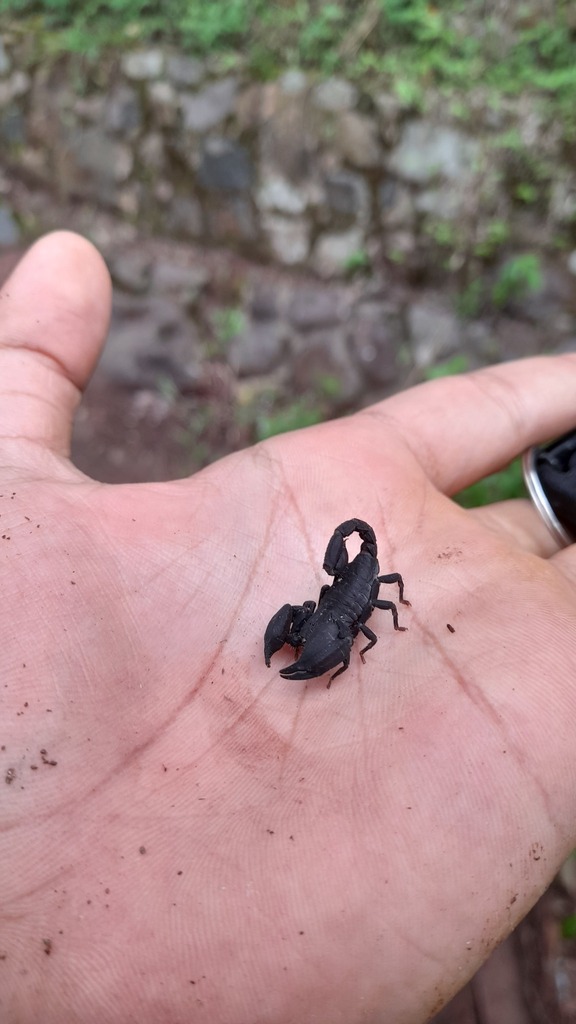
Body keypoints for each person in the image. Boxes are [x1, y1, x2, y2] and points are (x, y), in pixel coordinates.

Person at [0, 231, 575, 1024]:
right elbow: (321, 597)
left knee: (351, 622)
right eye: (310, 647)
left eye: (312, 648)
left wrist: (354, 636)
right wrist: (320, 605)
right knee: (322, 606)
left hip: (361, 591)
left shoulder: (358, 616)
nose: (309, 643)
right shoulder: (336, 584)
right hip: (349, 582)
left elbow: (364, 621)